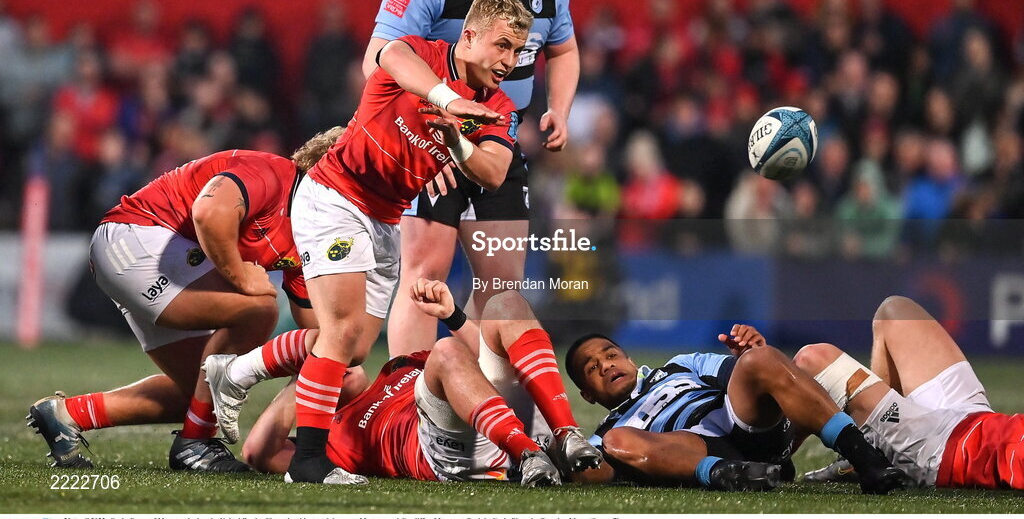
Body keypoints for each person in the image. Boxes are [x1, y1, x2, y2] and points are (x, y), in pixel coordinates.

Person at [287, 0, 529, 484]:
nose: (509, 61)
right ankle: (306, 461)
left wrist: (457, 141)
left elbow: (494, 173)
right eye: (502, 45)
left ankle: (245, 368)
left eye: (518, 52)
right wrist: (449, 100)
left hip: (385, 220)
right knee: (342, 332)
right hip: (336, 196)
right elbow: (389, 53)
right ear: (468, 37)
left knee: (354, 350)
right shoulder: (420, 53)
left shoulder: (498, 106)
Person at [26, 128, 342, 472]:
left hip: (158, 254)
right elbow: (209, 213)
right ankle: (196, 444)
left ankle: (67, 415)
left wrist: (335, 362)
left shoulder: (310, 232)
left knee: (200, 396)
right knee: (258, 310)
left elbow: (318, 332)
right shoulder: (272, 172)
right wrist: (240, 276)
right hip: (139, 237)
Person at [361, 0, 580, 359]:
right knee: (424, 278)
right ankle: (408, 393)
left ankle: (479, 394)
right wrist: (425, 138)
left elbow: (563, 50)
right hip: (430, 144)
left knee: (502, 290)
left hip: (500, 141)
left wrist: (559, 109)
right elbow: (379, 59)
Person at [204, 280, 599, 486]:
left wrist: (453, 315)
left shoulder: (398, 368)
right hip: (447, 452)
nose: (339, 368)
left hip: (501, 416)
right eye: (327, 371)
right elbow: (258, 451)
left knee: (506, 304)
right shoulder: (330, 441)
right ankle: (528, 453)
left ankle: (565, 433)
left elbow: (482, 360)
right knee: (446, 352)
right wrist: (303, 379)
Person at [563, 328, 909, 493]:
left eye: (611, 355)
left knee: (760, 358)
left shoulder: (679, 365)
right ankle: (733, 475)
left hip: (741, 422)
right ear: (587, 395)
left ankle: (866, 459)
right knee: (618, 441)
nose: (606, 365)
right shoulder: (602, 434)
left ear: (630, 359)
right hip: (695, 450)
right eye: (592, 368)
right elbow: (591, 474)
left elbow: (739, 373)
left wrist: (748, 355)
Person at [795, 296, 1024, 489]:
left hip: (945, 453)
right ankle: (873, 447)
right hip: (978, 420)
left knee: (812, 360)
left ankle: (774, 459)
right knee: (895, 311)